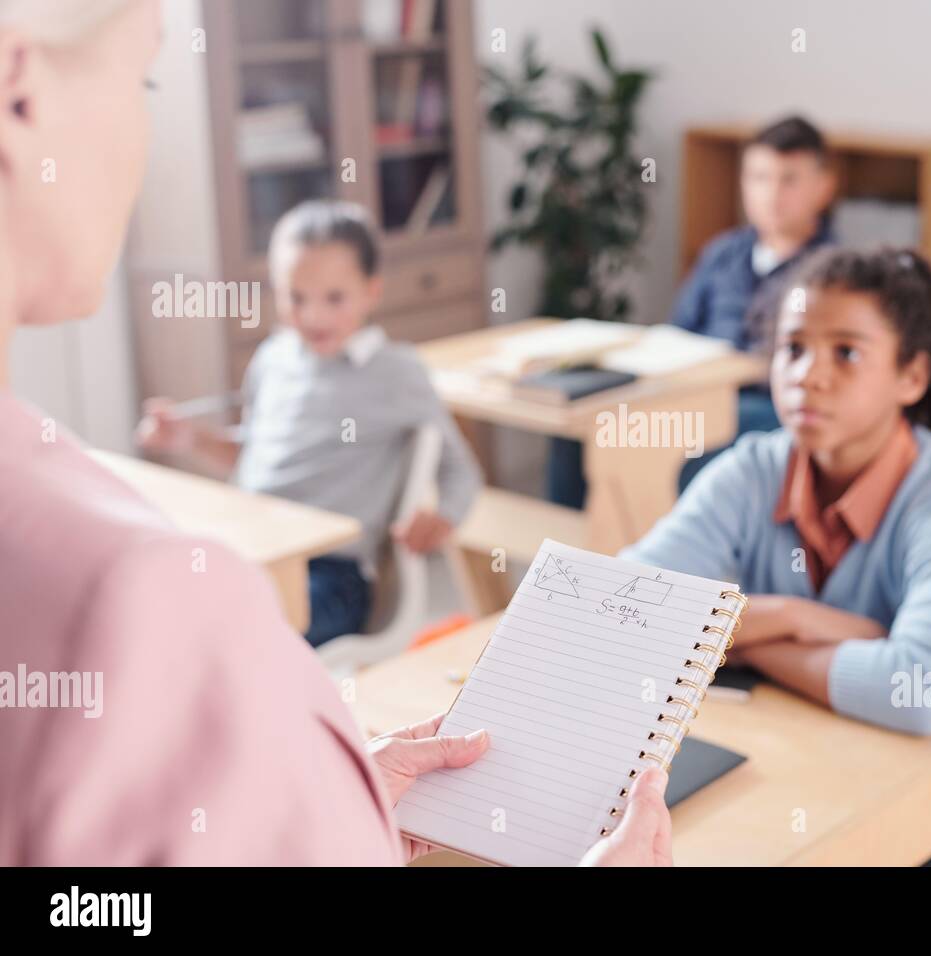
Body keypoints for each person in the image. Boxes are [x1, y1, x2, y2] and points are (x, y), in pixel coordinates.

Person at [0, 0, 669, 865]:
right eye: (143, 78)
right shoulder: (140, 596)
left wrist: (332, 797)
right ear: (20, 92)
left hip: (333, 573)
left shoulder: (119, 576)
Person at [622, 247, 931, 865]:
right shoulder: (753, 469)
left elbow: (926, 690)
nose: (808, 373)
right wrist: (795, 616)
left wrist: (739, 639)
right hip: (793, 776)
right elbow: (623, 605)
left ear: (911, 377)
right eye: (793, 348)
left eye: (847, 353)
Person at [137, 199, 482, 647]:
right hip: (252, 551)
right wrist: (188, 437)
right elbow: (254, 456)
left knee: (235, 634)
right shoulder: (272, 359)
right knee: (156, 602)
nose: (313, 316)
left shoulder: (396, 372)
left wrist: (443, 517)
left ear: (371, 291)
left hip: (333, 574)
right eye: (295, 297)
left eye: (334, 298)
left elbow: (462, 471)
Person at [546, 115, 838, 506]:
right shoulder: (722, 254)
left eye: (789, 179)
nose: (772, 194)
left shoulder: (834, 273)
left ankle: (654, 555)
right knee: (582, 428)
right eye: (759, 177)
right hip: (692, 392)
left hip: (764, 407)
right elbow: (678, 334)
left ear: (823, 187)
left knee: (666, 452)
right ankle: (570, 557)